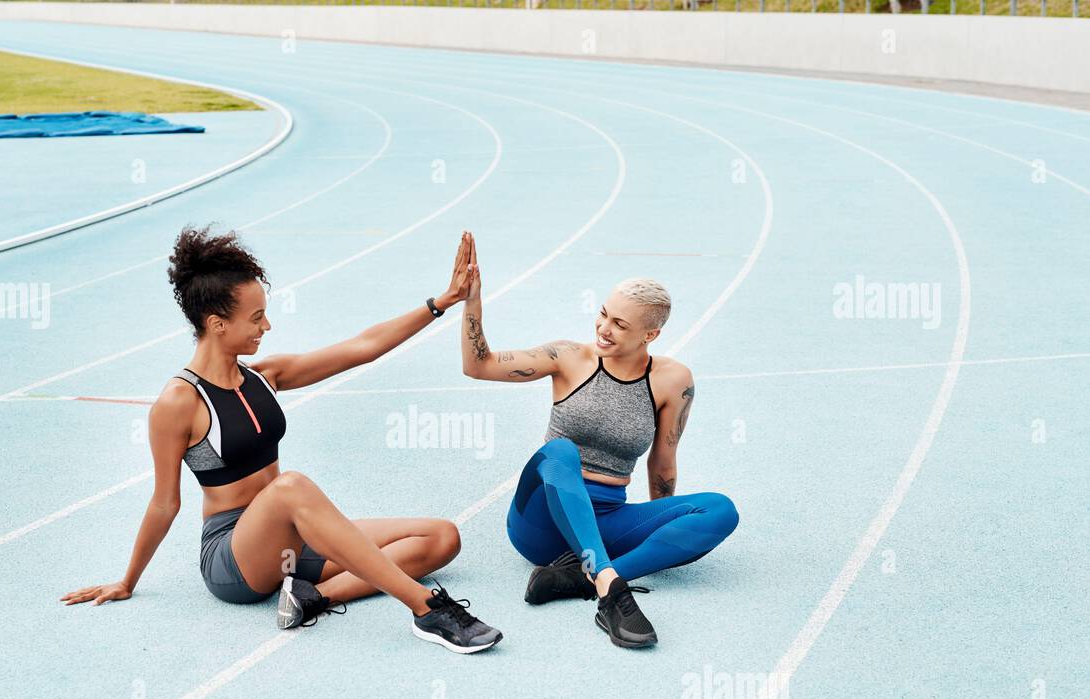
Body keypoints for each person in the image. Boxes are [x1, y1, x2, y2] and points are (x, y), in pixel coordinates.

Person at [62, 227, 502, 654]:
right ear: (217, 324)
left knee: (441, 538)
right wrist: (127, 580)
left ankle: (312, 597)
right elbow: (164, 503)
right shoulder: (179, 402)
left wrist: (441, 302)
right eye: (256, 318)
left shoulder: (264, 377)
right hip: (235, 558)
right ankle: (426, 609)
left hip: (292, 544)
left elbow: (362, 347)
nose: (267, 326)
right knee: (290, 486)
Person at [456, 233, 738, 649]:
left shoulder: (672, 380)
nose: (603, 329)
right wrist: (472, 300)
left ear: (651, 335)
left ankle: (585, 575)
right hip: (541, 522)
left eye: (619, 325)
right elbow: (478, 366)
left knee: (719, 510)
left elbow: (663, 464)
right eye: (603, 315)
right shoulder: (568, 357)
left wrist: (663, 517)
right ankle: (608, 584)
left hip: (605, 521)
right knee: (560, 451)